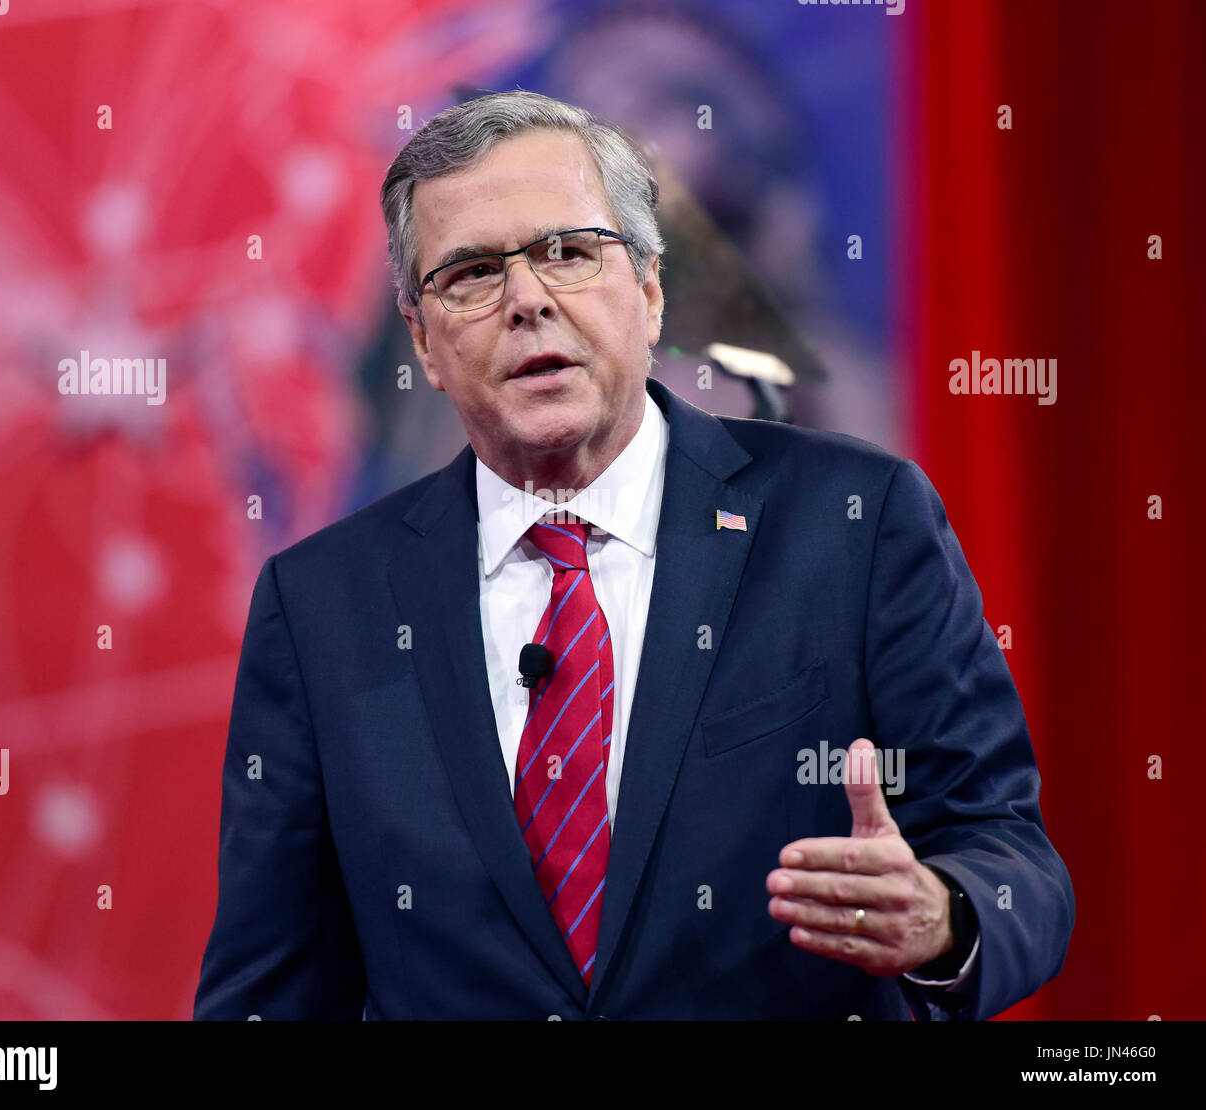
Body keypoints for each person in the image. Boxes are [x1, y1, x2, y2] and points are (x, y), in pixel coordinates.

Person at [193, 90, 1073, 1020]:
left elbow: (1011, 857)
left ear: (651, 291)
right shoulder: (322, 603)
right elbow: (269, 987)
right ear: (423, 341)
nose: (528, 301)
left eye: (568, 253)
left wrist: (943, 916)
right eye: (472, 274)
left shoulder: (855, 522)